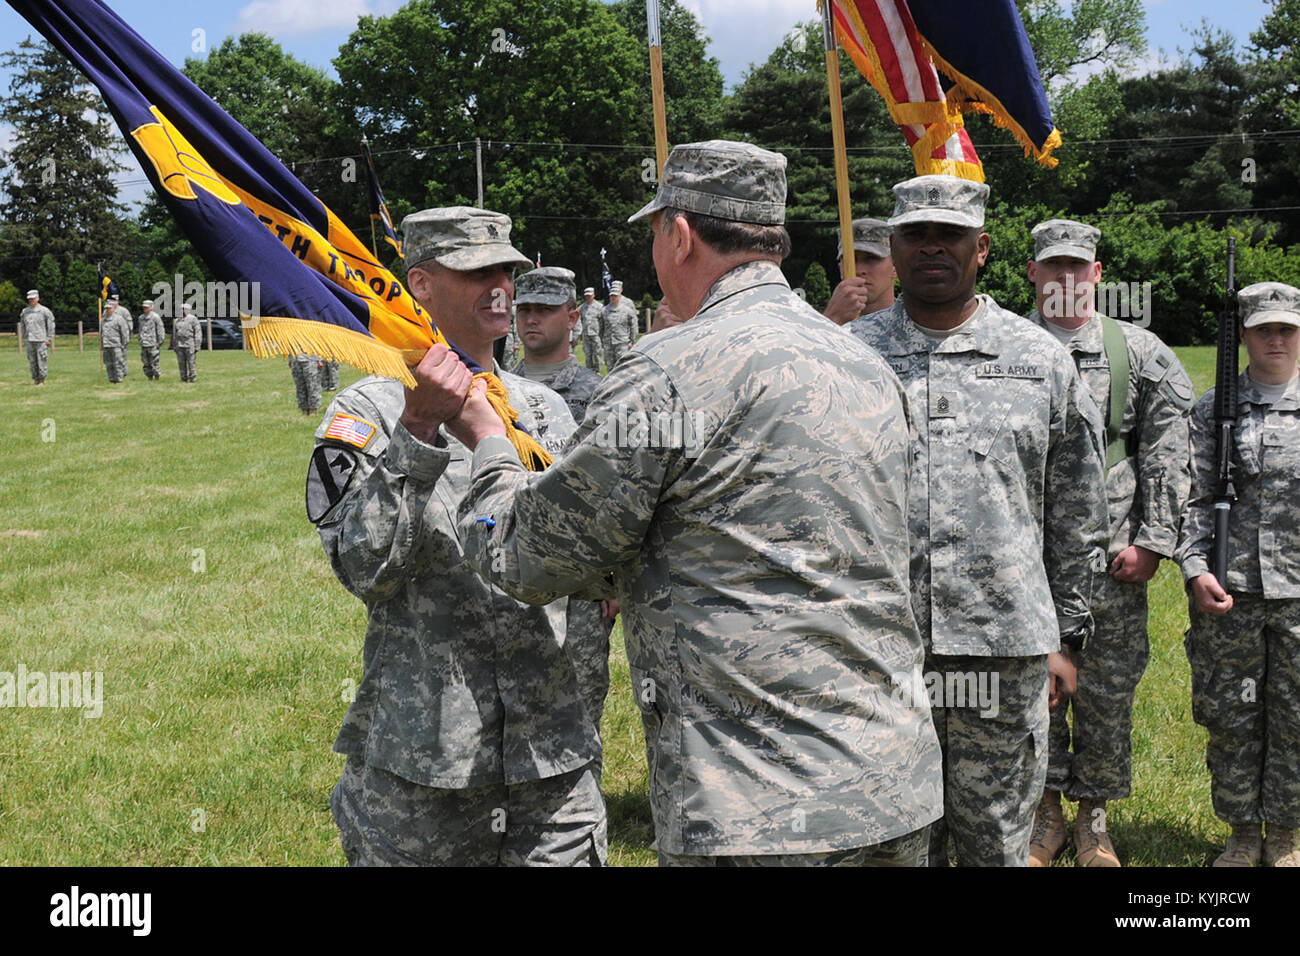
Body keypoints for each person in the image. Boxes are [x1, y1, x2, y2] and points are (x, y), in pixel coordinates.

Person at [435, 140, 944, 867]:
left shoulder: (668, 372)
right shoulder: (865, 362)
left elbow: (524, 556)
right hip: (894, 787)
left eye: (653, 234)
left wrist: (486, 439)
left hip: (756, 808)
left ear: (679, 235)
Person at [306, 205, 605, 867]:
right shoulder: (366, 411)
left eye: (506, 267)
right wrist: (416, 432)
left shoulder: (545, 409)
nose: (500, 285)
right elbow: (365, 568)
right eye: (476, 271)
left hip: (550, 753)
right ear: (420, 284)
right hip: (425, 758)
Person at [848, 175, 1109, 867]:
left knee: (995, 841)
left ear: (983, 247)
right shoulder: (846, 357)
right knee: (887, 841)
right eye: (916, 234)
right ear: (895, 248)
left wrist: (1069, 635)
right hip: (877, 648)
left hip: (1002, 650)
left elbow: (1078, 509)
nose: (932, 247)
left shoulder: (1039, 360)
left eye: (950, 235)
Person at [1023, 219, 1195, 868]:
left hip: (1111, 562)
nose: (1065, 277)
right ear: (1034, 273)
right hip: (1024, 565)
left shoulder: (1140, 352)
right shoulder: (1003, 348)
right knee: (1032, 693)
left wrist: (1153, 542)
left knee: (1105, 695)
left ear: (1097, 273)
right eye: (1052, 266)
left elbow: (1169, 453)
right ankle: (1046, 815)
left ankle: (1094, 822)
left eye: (1078, 266)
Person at [1178, 281, 1300, 868]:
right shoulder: (1212, 410)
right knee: (1232, 716)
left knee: (1295, 717)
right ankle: (1242, 833)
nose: (1276, 339)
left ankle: (1283, 834)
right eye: (1263, 329)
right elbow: (1195, 498)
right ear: (1244, 336)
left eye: (1287, 329)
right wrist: (1198, 570)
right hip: (1235, 591)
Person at [509, 265, 617, 728]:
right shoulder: (494, 391)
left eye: (546, 310)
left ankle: (583, 798)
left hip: (581, 585)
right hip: (511, 569)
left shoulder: (599, 394)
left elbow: (618, 491)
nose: (532, 319)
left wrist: (616, 580)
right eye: (524, 309)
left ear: (573, 317)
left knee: (579, 706)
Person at [823, 217, 897, 325]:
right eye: (850, 260)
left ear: (896, 267)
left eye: (871, 259)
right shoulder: (818, 328)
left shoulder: (919, 325)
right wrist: (832, 320)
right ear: (840, 269)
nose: (859, 270)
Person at [20, 289, 54, 385]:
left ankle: (42, 380)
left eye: (33, 298)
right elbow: (23, 325)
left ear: (37, 298)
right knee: (32, 361)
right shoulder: (25, 311)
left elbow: (51, 325)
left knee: (41, 360)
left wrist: (49, 338)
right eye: (30, 299)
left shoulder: (44, 311)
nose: (31, 300)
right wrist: (25, 336)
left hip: (41, 340)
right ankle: (35, 379)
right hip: (30, 340)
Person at [601, 280, 638, 369]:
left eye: (615, 295)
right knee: (610, 366)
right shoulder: (604, 310)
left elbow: (633, 323)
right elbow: (601, 327)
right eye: (611, 295)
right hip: (608, 341)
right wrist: (602, 340)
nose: (613, 297)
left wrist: (632, 340)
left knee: (622, 366)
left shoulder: (627, 305)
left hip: (622, 340)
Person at [100, 295, 131, 383]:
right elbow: (102, 333)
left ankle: (119, 379)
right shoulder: (103, 320)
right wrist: (101, 344)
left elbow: (124, 333)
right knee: (108, 364)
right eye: (106, 308)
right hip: (106, 345)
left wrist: (123, 344)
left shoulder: (119, 319)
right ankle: (111, 379)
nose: (108, 310)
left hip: (116, 345)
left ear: (113, 308)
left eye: (109, 308)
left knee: (118, 363)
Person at [172, 305, 202, 382]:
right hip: (180, 345)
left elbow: (198, 333)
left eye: (183, 309)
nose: (181, 311)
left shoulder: (193, 319)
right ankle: (183, 378)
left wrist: (197, 345)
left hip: (190, 344)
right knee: (181, 363)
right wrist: (174, 345)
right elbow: (175, 334)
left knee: (191, 362)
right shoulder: (177, 320)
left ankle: (193, 378)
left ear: (187, 310)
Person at [138, 299, 165, 380]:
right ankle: (149, 377)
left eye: (146, 307)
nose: (145, 309)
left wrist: (160, 342)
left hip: (153, 343)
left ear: (151, 307)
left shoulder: (155, 317)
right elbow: (140, 330)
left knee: (154, 362)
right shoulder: (141, 318)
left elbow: (160, 329)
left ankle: (157, 376)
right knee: (146, 363)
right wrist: (140, 339)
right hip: (144, 343)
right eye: (144, 307)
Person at [579, 287, 603, 373]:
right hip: (585, 334)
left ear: (593, 295)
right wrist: (580, 333)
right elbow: (579, 320)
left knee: (597, 353)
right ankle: (589, 371)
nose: (588, 297)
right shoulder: (582, 307)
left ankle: (598, 371)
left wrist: (602, 334)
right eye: (586, 296)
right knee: (588, 354)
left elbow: (602, 322)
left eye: (589, 295)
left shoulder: (600, 307)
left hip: (596, 334)